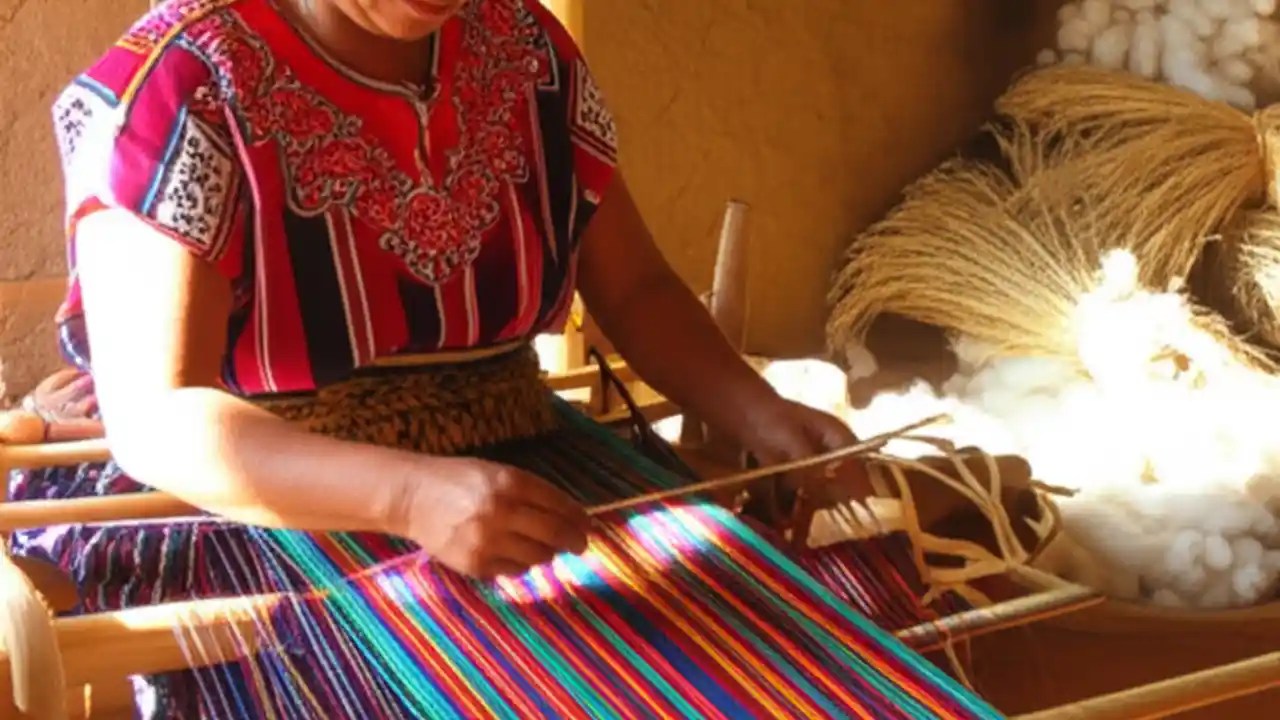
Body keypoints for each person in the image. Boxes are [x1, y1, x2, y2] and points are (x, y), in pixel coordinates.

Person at [11, 0, 862, 715]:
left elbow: (633, 286)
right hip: (265, 496)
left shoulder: (525, 49)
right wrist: (411, 495)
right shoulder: (180, 83)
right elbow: (160, 417)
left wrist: (761, 412)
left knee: (759, 660)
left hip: (516, 456)